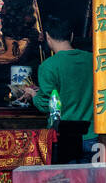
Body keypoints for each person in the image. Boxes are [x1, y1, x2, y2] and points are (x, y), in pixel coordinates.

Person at [22, 16, 95, 162]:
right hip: (93, 135)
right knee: (92, 182)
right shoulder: (92, 59)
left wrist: (33, 95)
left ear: (47, 37)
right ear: (72, 35)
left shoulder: (48, 66)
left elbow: (46, 105)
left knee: (68, 181)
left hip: (65, 138)